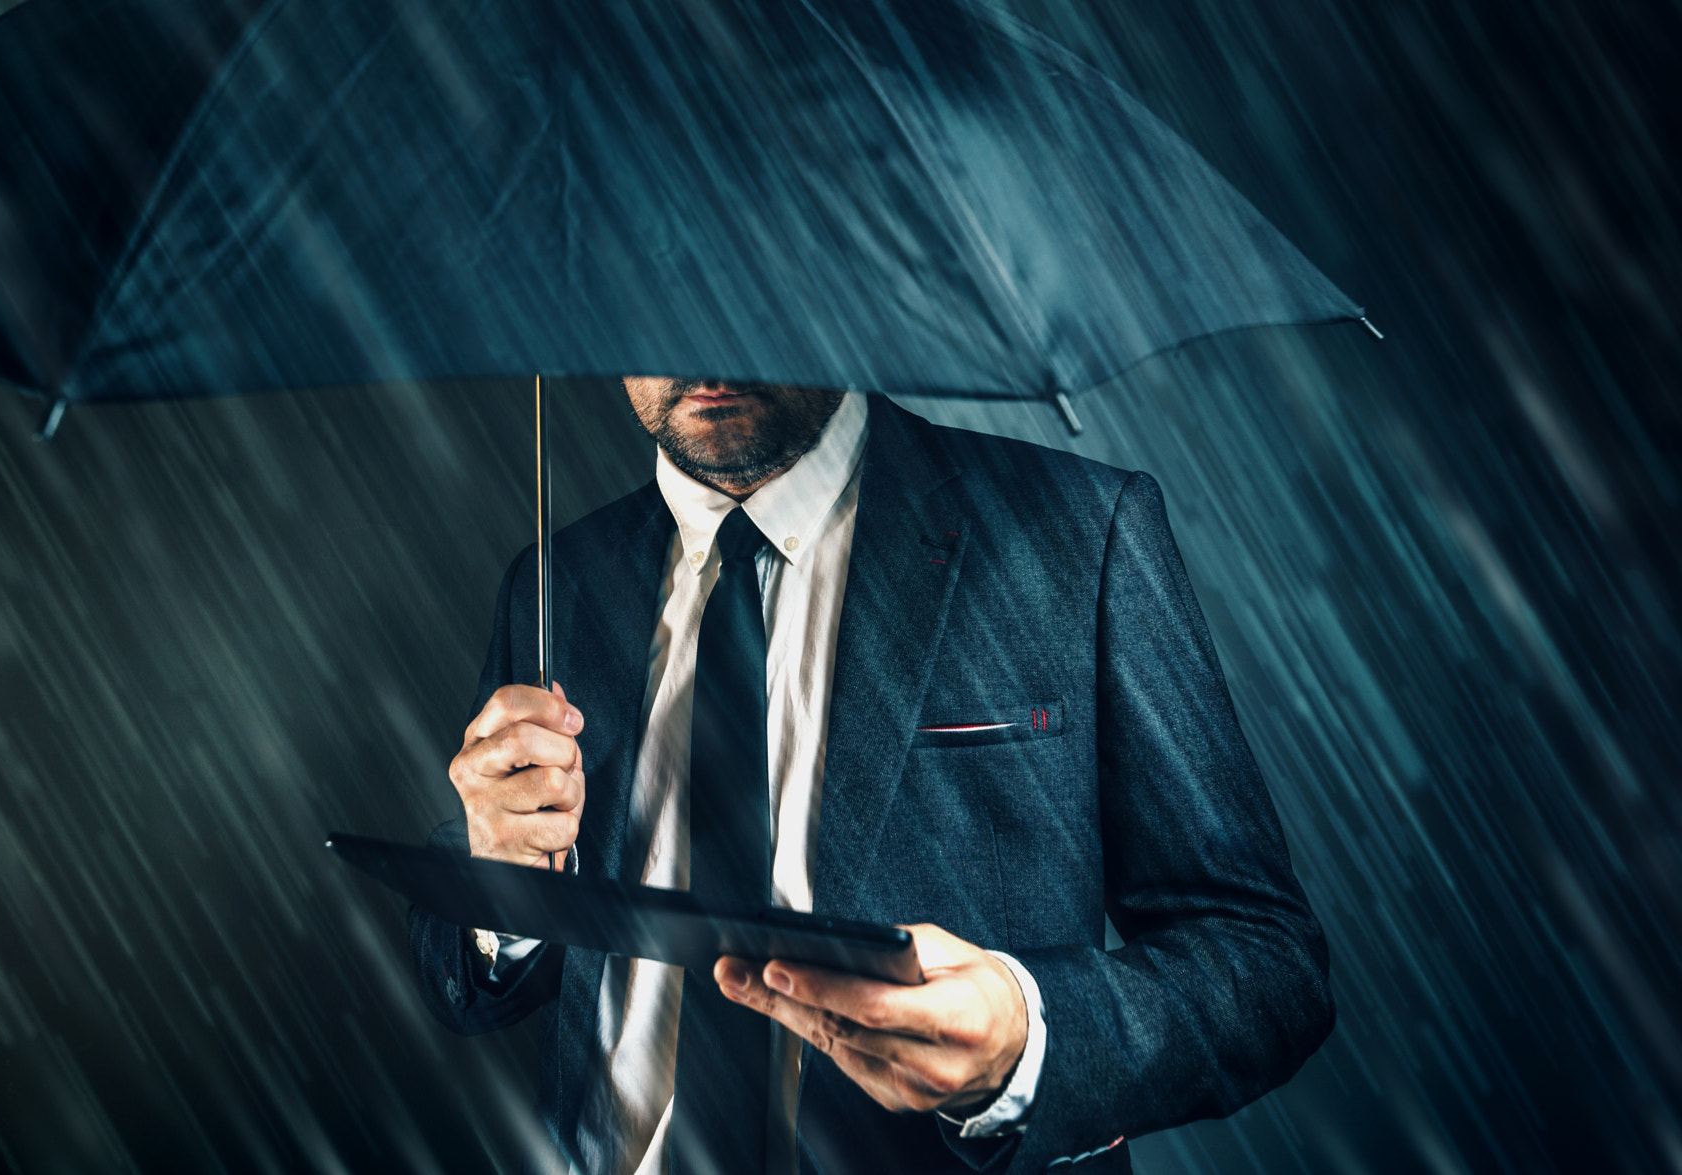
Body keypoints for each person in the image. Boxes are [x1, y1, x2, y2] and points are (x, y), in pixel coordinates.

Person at [411, 380, 1333, 1175]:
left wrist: (1028, 1034)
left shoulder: (1073, 533)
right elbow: (469, 977)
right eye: (657, 294)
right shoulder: (551, 583)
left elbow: (1264, 960)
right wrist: (499, 881)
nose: (699, 342)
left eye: (738, 275)